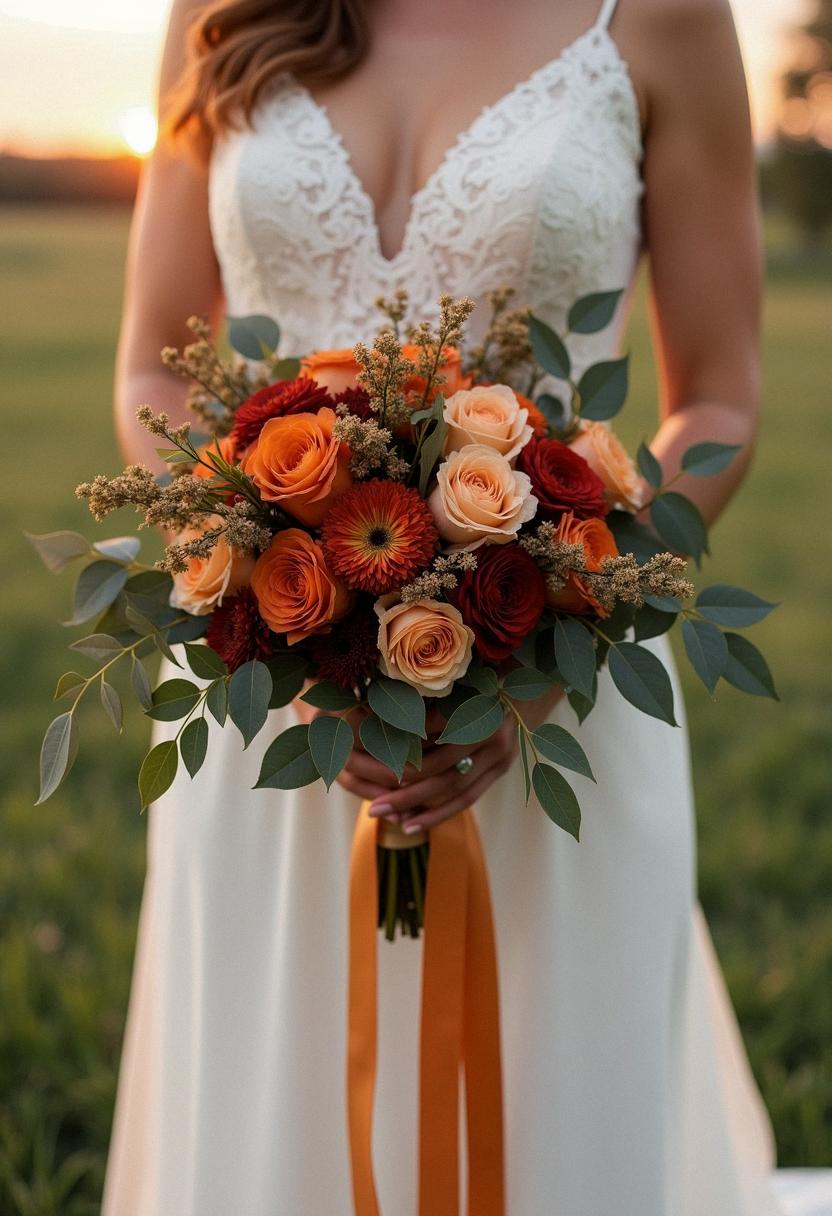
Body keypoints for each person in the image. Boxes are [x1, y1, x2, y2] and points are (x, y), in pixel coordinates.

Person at [102, 0, 787, 1212]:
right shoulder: (218, 14)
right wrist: (263, 586)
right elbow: (158, 359)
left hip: (548, 695)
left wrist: (560, 613)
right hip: (267, 699)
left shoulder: (664, 18)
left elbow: (718, 398)